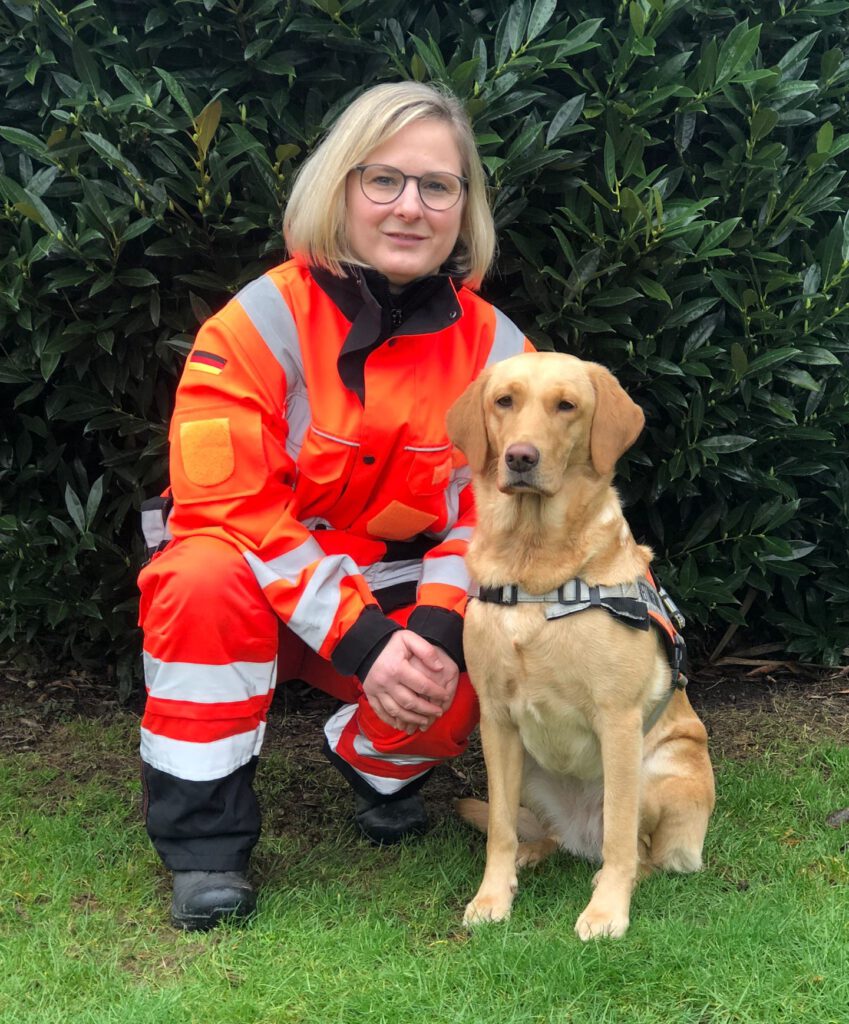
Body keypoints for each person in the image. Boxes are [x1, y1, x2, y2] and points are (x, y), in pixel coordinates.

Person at [138, 81, 533, 931]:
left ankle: (372, 763)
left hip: (386, 589)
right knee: (200, 579)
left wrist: (426, 635)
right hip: (246, 577)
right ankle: (205, 851)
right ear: (338, 190)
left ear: (464, 209)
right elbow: (232, 509)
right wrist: (364, 641)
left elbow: (488, 515)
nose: (409, 207)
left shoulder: (499, 347)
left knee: (476, 649)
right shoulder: (256, 322)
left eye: (437, 185)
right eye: (381, 180)